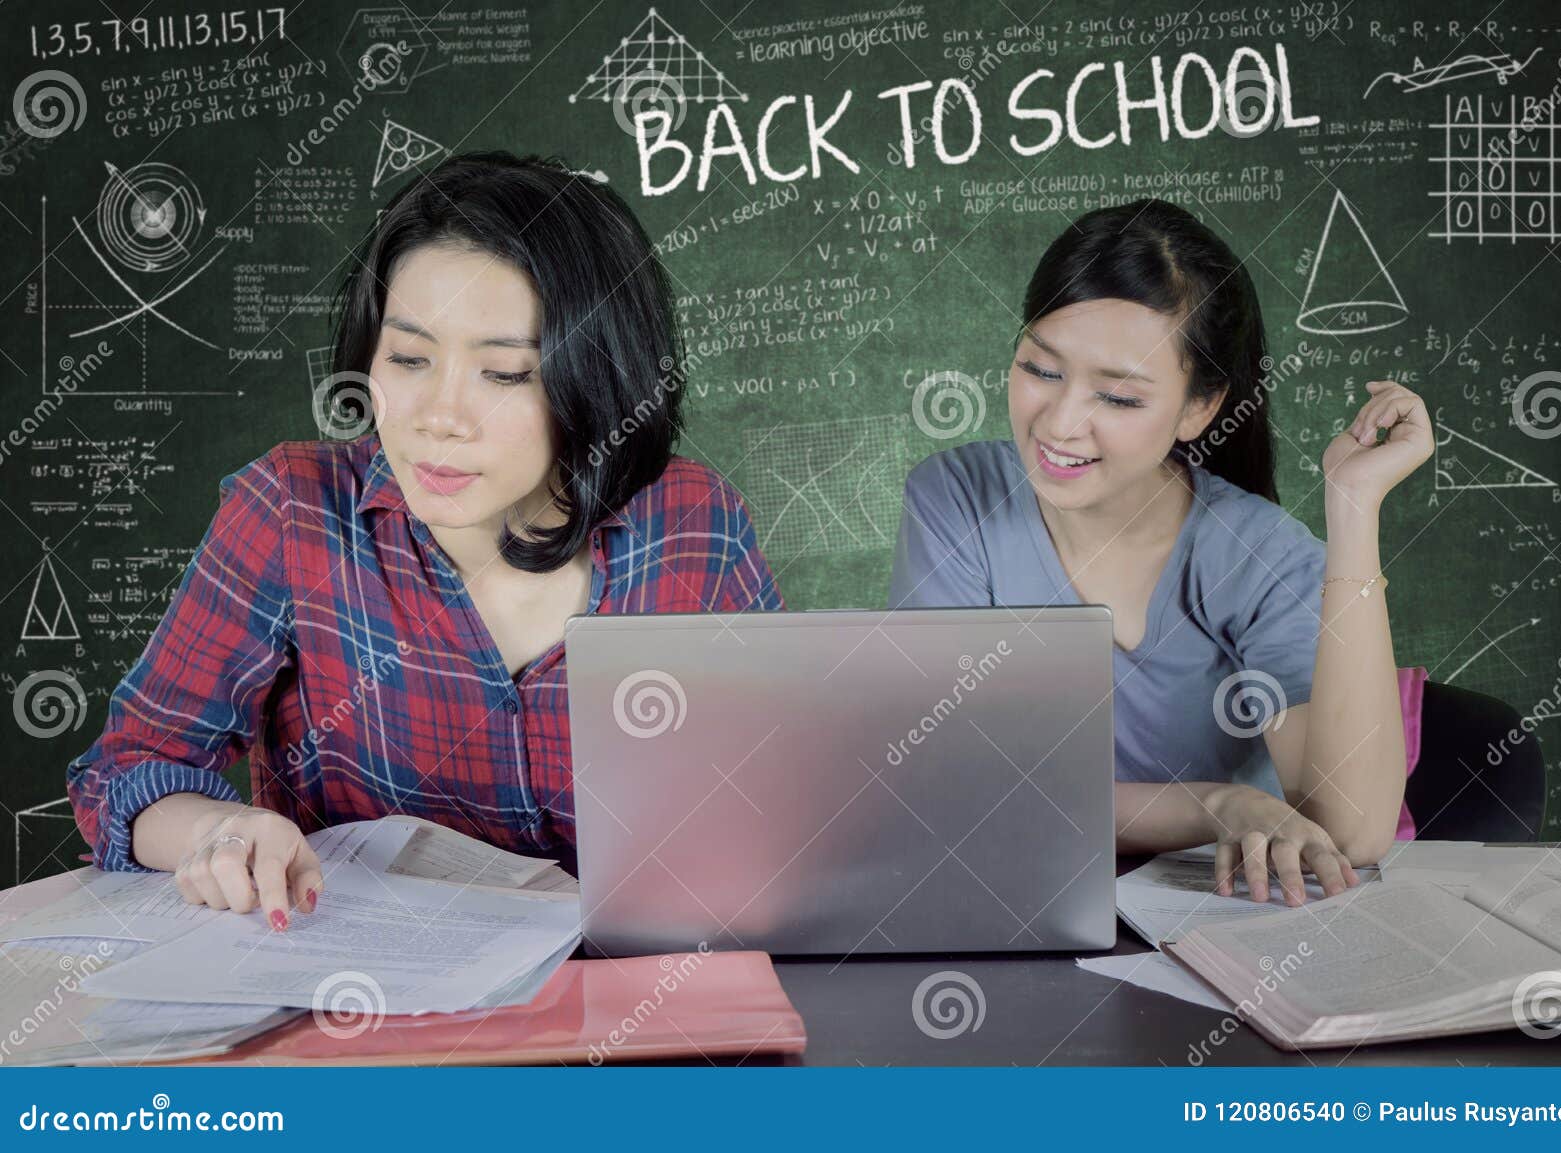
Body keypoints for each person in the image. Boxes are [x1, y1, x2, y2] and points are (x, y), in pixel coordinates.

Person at [66, 152, 782, 930]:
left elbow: (794, 789)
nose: (439, 415)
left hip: (657, 1012)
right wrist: (214, 831)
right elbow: (125, 769)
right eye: (408, 358)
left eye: (504, 373)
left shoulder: (693, 525)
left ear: (596, 378)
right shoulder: (290, 512)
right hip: (371, 1019)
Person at [890, 198, 1435, 906]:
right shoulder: (958, 499)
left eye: (1117, 397)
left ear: (1200, 408)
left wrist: (1355, 509)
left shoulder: (1254, 553)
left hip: (1226, 924)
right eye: (1041, 368)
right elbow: (948, 787)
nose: (1060, 423)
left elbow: (1353, 831)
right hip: (1019, 913)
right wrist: (1216, 806)